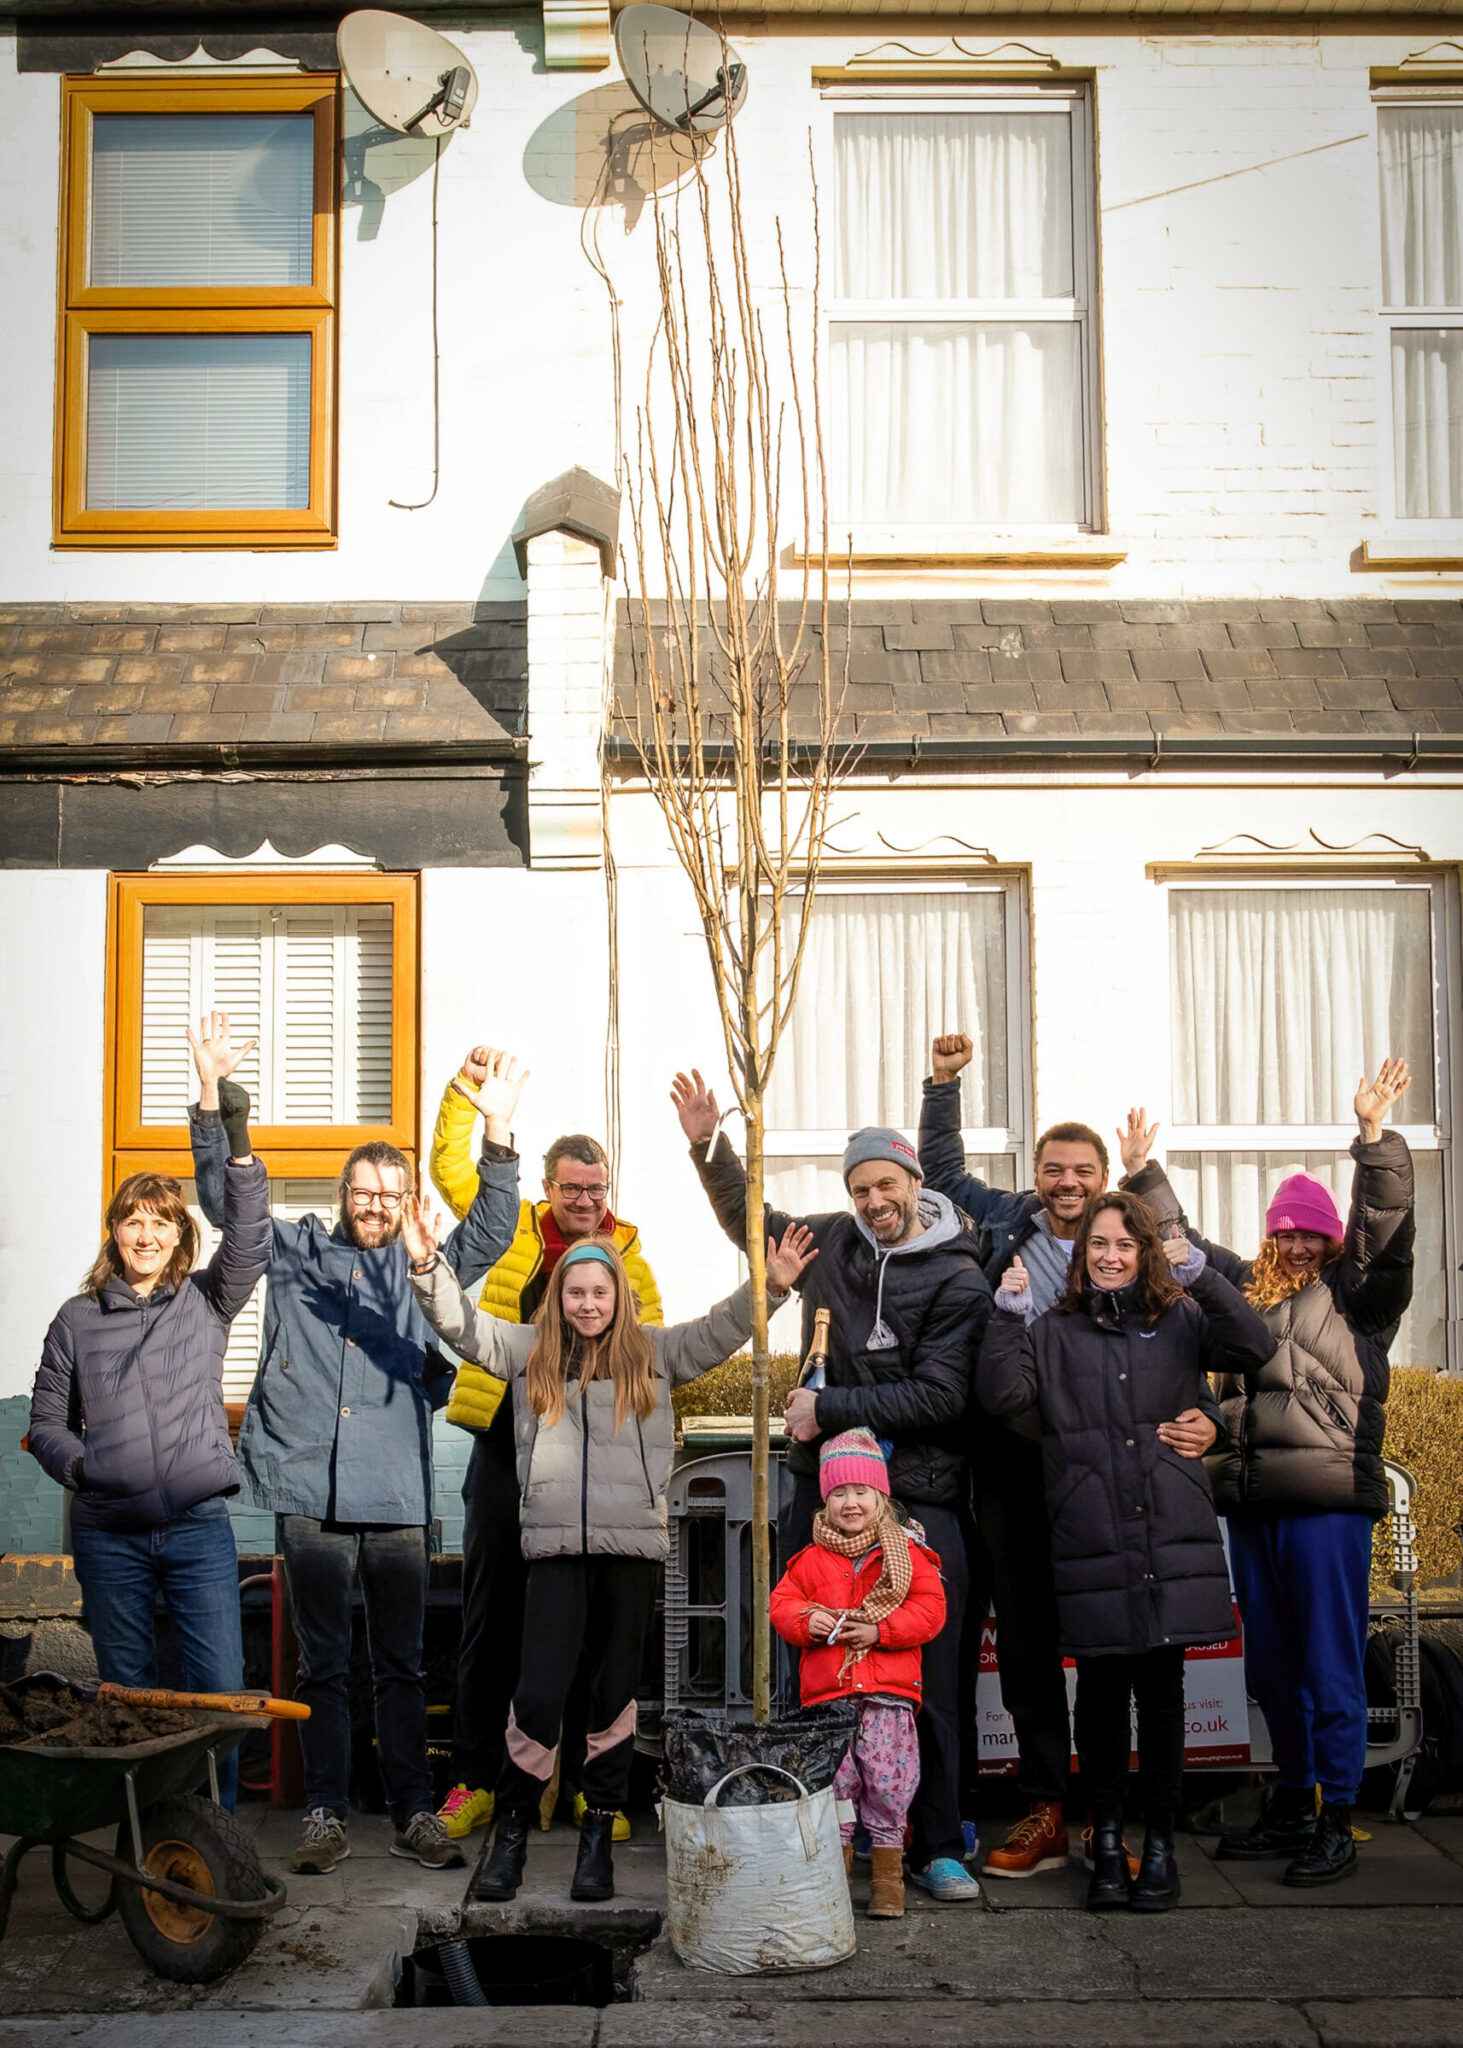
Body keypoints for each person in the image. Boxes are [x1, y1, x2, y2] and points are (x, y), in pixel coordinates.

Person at [402, 1191, 817, 1903]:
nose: (587, 1304)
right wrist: (425, 1264)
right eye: (576, 1292)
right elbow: (464, 1327)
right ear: (559, 1297)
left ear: (617, 1297)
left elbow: (723, 1328)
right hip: (555, 1551)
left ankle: (597, 1834)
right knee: (536, 1693)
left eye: (599, 1292)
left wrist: (771, 1286)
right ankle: (510, 1836)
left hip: (631, 1554)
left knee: (611, 1696)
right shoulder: (531, 1352)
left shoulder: (653, 1355)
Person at [187, 1012, 524, 1877]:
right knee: (324, 1663)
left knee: (404, 1665)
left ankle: (413, 1809)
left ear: (405, 1198)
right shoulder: (294, 1251)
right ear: (342, 1194)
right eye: (361, 1191)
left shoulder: (420, 1258)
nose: (373, 1205)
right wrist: (214, 1100)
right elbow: (229, 1204)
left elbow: (491, 1225)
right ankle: (326, 1812)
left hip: (397, 1494)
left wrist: (498, 1132)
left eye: (388, 1193)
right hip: (307, 1491)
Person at [673, 1070, 990, 1903]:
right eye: (859, 1189)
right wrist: (710, 1147)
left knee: (928, 1676)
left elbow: (942, 1396)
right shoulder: (835, 1246)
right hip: (830, 1501)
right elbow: (753, 1222)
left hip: (919, 1496)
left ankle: (938, 1842)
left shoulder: (958, 1275)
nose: (873, 1201)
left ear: (915, 1182)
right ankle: (825, 1833)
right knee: (812, 1661)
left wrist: (827, 1405)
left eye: (885, 1184)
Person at [919, 1033, 1212, 1881]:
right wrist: (944, 1085)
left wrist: (1211, 1419)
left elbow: (1211, 1323)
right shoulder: (1009, 1227)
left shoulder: (1133, 1242)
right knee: (1029, 1641)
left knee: (1117, 1644)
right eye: (1055, 1169)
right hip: (1018, 1468)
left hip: (1116, 1468)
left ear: (1101, 1181)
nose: (1069, 1183)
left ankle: (1111, 1818)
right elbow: (940, 1174)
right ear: (1038, 1176)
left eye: (1084, 1170)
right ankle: (1048, 1805)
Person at [1125, 1060, 1415, 1886]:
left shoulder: (1356, 1299)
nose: (1293, 1242)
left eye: (1308, 1233)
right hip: (1249, 1506)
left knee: (1328, 1663)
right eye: (1282, 1230)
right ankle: (1291, 1799)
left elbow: (1384, 1229)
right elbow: (1180, 1244)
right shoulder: (1244, 1293)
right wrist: (1144, 1172)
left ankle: (1334, 1812)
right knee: (1271, 1667)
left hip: (1325, 1505)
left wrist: (1370, 1139)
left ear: (1327, 1241)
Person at [979, 1190, 1275, 1912]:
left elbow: (1253, 1347)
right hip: (1090, 1540)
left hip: (1167, 1531)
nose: (1109, 1257)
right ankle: (1107, 1845)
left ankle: (1162, 1848)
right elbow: (1004, 1401)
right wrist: (1003, 1319)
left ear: (1143, 1252)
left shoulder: (1176, 1319)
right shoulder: (1051, 1330)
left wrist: (1201, 1274)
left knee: (1164, 1698)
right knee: (1104, 1700)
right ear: (1081, 1256)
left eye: (1123, 1245)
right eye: (1098, 1246)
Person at [28, 1023, 271, 1810]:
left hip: (199, 1528)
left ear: (178, 1238)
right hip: (109, 1535)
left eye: (161, 1223)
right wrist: (85, 1469)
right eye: (133, 1220)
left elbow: (254, 1238)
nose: (145, 1232)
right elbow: (45, 1422)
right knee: (128, 1693)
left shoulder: (206, 1300)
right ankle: (141, 1830)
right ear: (115, 1231)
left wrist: (219, 1108)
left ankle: (213, 1832)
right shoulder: (75, 1318)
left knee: (218, 1690)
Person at [428, 1050, 664, 1846]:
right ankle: (475, 1779)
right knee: (490, 1618)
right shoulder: (507, 1226)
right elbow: (448, 1162)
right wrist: (469, 1097)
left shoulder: (632, 1265)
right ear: (549, 1188)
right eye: (570, 1189)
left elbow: (660, 1368)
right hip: (504, 1444)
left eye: (596, 1190)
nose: (585, 1202)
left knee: (584, 1628)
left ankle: (575, 1789)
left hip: (590, 1468)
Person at [770, 1429, 947, 1920]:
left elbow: (931, 1610)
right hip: (829, 1701)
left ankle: (888, 1878)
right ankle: (836, 1876)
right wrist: (808, 1621)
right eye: (839, 1493)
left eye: (861, 1491)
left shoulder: (907, 1556)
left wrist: (882, 1630)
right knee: (837, 1784)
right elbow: (782, 1605)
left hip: (887, 1695)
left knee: (889, 1783)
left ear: (880, 1496)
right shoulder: (808, 1560)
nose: (850, 1502)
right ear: (825, 1501)